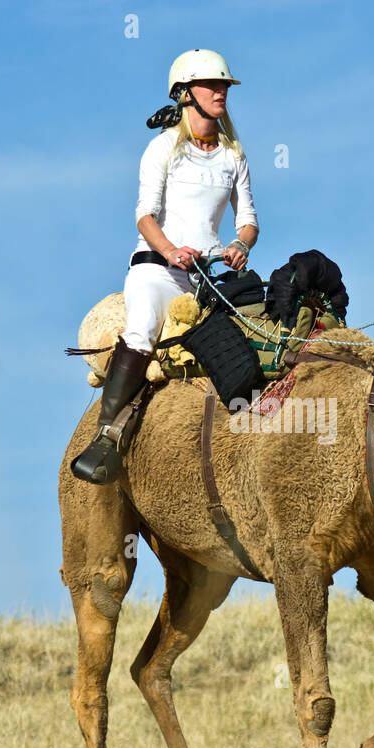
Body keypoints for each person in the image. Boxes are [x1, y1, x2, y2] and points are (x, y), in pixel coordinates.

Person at [71, 48, 259, 485]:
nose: (221, 92)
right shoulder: (161, 149)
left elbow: (248, 221)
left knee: (250, 350)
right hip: (158, 271)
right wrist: (172, 250)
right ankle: (105, 438)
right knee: (141, 329)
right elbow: (144, 216)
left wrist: (238, 244)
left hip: (209, 281)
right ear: (185, 95)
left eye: (224, 86)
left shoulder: (234, 156)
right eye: (212, 85)